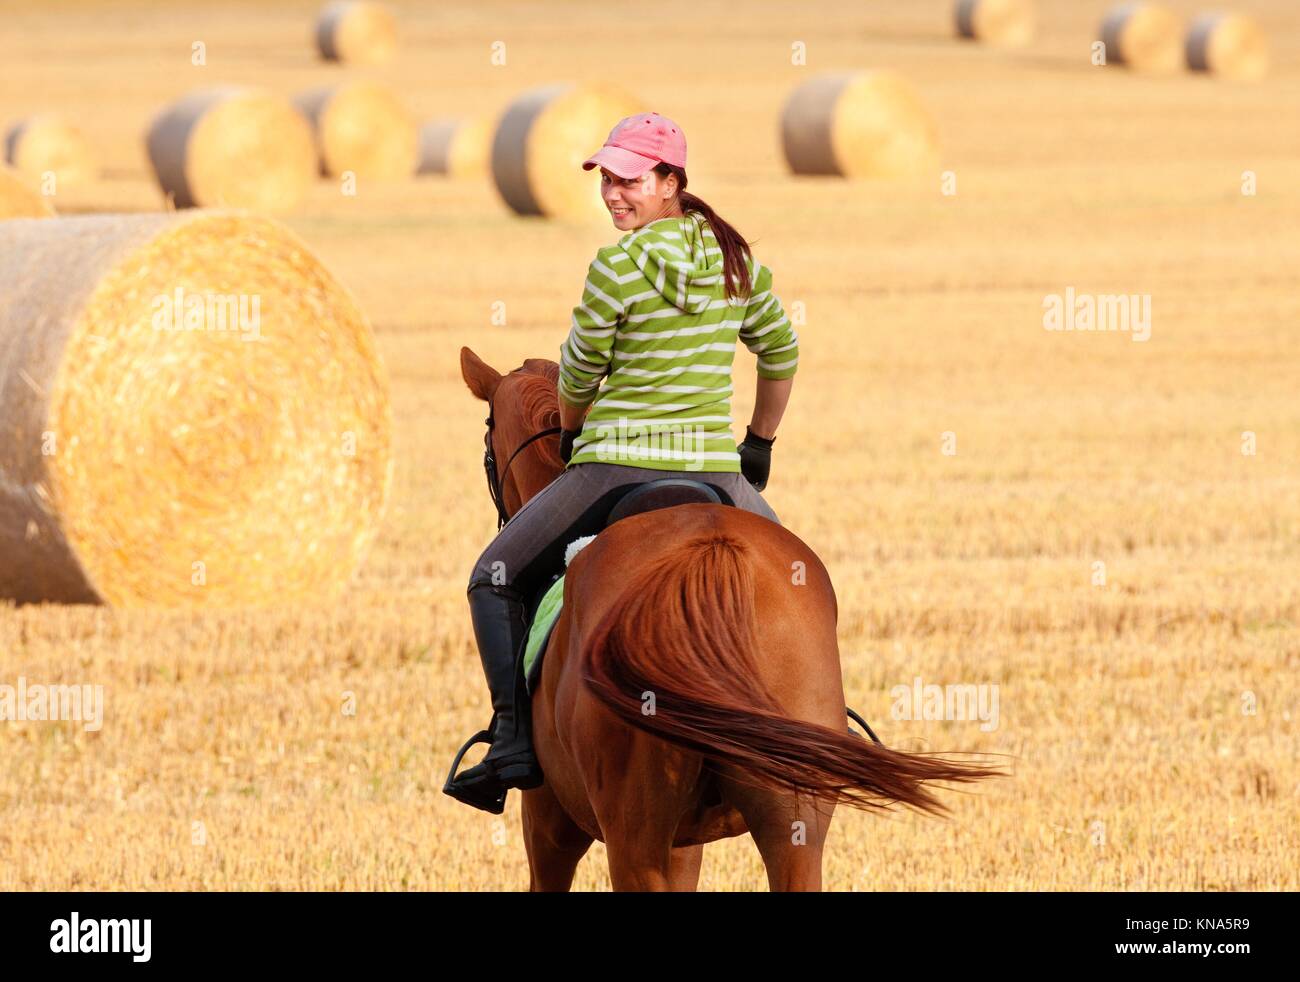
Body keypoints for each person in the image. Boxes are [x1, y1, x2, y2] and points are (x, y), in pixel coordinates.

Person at [444, 112, 800, 813]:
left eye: (629, 180)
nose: (613, 193)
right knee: (795, 577)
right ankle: (818, 718)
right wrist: (758, 442)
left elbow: (577, 374)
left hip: (615, 468)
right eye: (607, 178)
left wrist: (572, 436)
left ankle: (513, 739)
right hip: (715, 470)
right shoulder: (738, 262)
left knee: (493, 576)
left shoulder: (617, 264)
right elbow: (781, 353)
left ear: (670, 182)